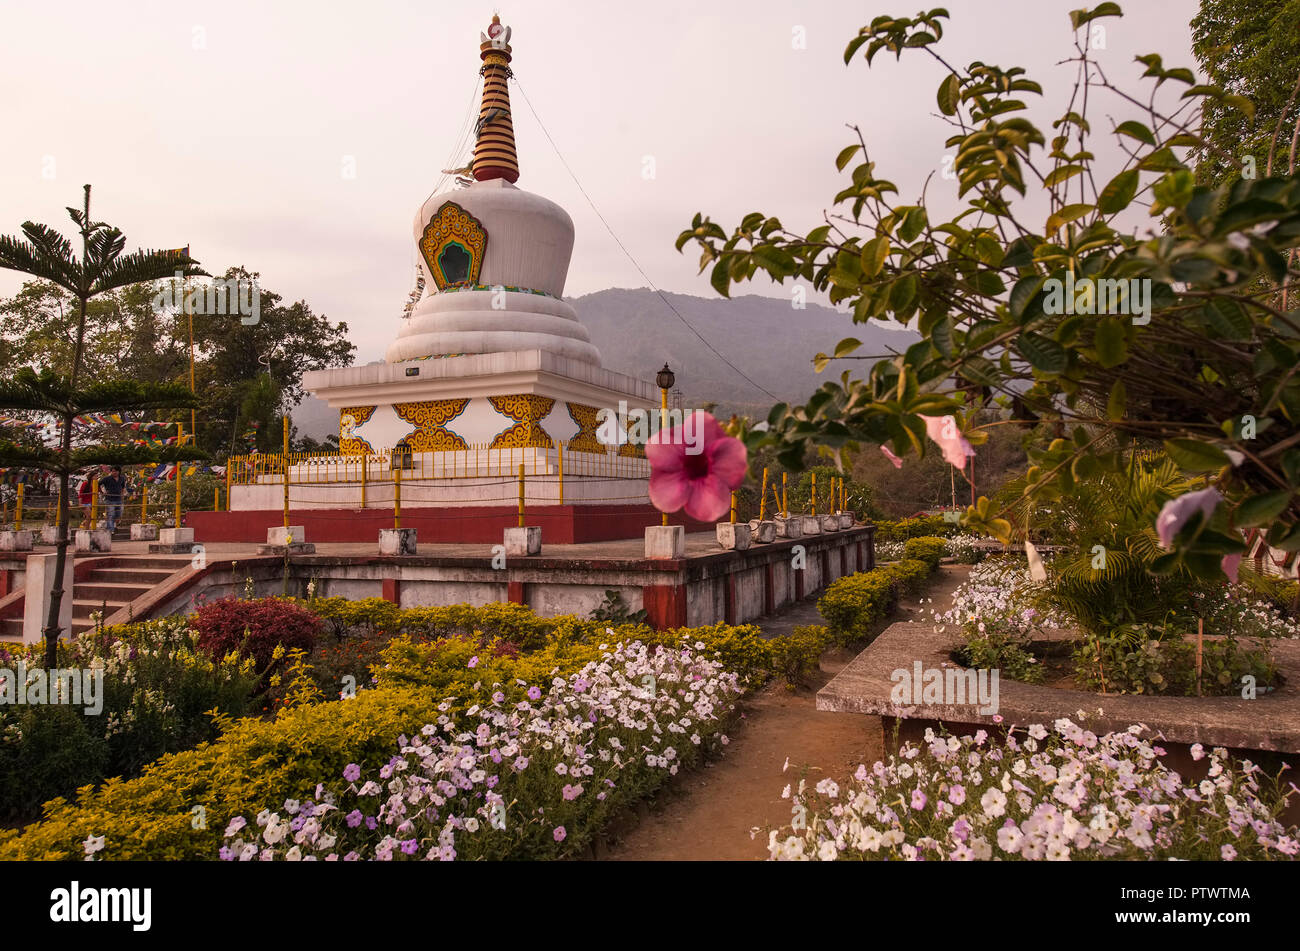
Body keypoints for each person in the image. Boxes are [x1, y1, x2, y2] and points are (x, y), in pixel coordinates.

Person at [99, 466, 125, 533]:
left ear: (119, 472)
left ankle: (114, 526)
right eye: (113, 471)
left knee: (119, 514)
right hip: (110, 499)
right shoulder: (107, 478)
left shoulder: (122, 478)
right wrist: (102, 492)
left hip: (118, 498)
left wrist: (122, 495)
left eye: (115, 471)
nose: (114, 473)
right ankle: (111, 530)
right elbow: (98, 484)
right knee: (111, 514)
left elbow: (123, 487)